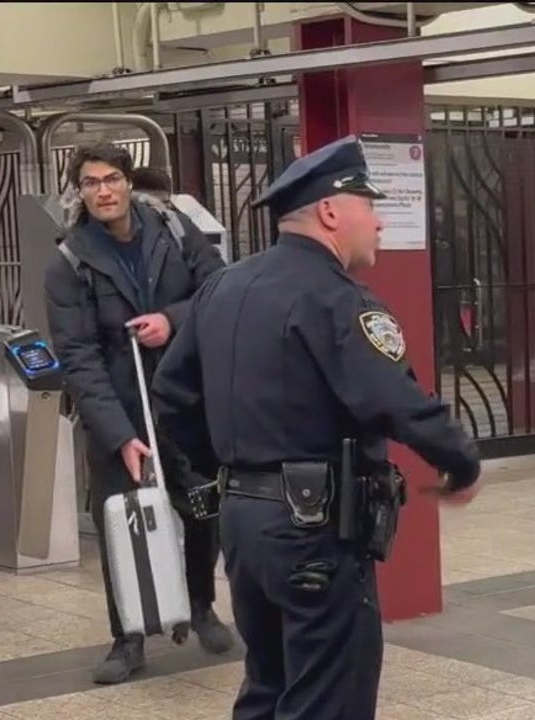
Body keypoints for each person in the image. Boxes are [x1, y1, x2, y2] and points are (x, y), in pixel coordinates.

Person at [151, 134, 483, 720]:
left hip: (244, 523)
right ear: (330, 211)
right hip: (314, 534)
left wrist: (235, 466)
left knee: (268, 685)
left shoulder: (223, 287)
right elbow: (394, 400)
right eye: (369, 206)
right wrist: (461, 460)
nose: (378, 222)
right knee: (329, 697)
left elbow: (172, 396)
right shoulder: (336, 298)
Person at [43, 143, 234, 685]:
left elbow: (218, 290)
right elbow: (78, 357)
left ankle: (200, 605)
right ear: (79, 192)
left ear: (128, 182)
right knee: (123, 521)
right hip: (121, 410)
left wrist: (172, 320)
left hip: (185, 403)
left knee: (203, 507)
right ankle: (127, 637)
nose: (103, 191)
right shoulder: (69, 262)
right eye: (90, 183)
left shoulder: (173, 232)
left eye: (111, 179)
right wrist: (119, 435)